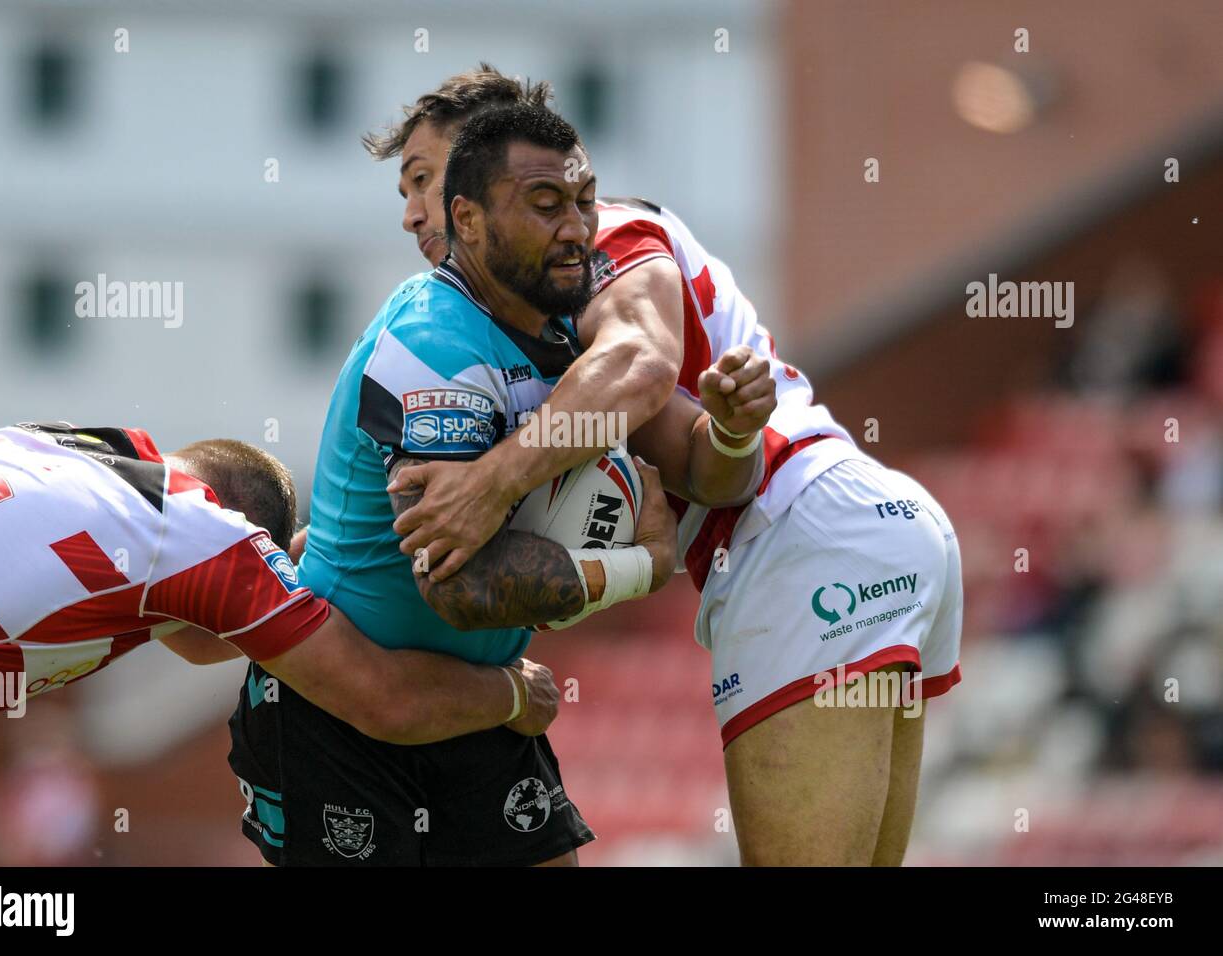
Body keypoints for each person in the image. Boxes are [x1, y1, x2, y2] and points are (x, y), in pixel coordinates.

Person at [368, 68, 965, 866]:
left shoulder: (590, 242)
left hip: (805, 539)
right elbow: (712, 464)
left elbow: (642, 366)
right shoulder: (503, 313)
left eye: (421, 179)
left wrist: (494, 480)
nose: (409, 212)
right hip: (844, 525)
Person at [229, 105, 776, 866]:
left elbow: (708, 473)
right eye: (547, 208)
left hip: (474, 703)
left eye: (585, 203)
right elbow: (460, 588)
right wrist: (641, 568)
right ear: (472, 221)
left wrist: (735, 426)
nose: (579, 230)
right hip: (341, 714)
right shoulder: (433, 344)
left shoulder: (566, 340)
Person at [0, 421, 560, 750]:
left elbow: (196, 640)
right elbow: (381, 699)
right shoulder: (201, 532)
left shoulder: (54, 443)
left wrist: (299, 565)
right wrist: (510, 695)